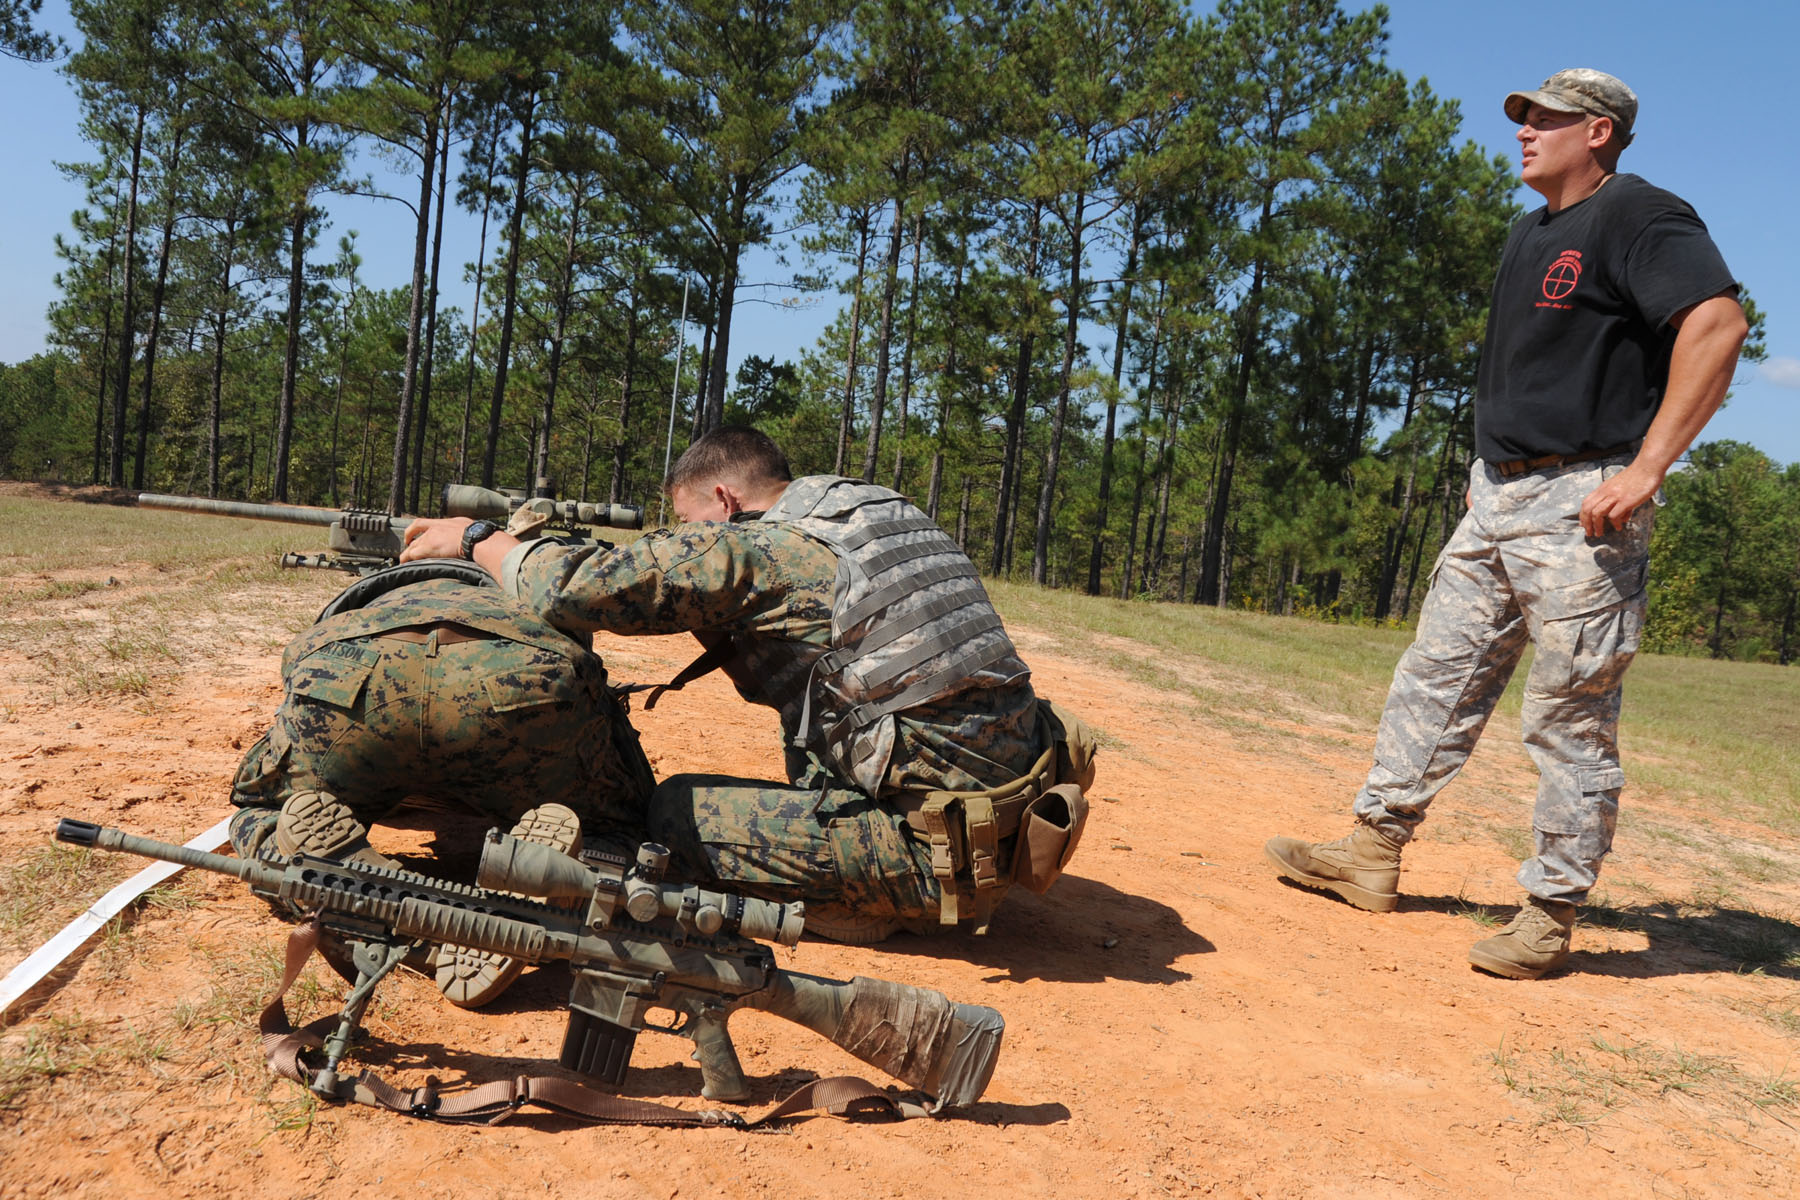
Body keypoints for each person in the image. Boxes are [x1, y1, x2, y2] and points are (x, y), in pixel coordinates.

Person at [1265, 69, 1748, 980]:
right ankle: (1372, 852)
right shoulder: (1530, 234)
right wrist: (1488, 477)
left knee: (1569, 714)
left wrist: (1648, 469)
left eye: (1546, 119)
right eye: (1522, 118)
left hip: (1585, 505)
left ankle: (1551, 911)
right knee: (1434, 678)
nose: (1524, 131)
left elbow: (1718, 325)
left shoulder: (1640, 215)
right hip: (1500, 498)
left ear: (1598, 132)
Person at [400, 426, 1095, 943]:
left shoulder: (767, 547)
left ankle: (878, 900)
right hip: (1013, 805)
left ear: (725, 500)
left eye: (690, 525)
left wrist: (475, 540)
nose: (688, 541)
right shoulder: (871, 509)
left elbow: (572, 590)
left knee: (672, 814)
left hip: (943, 857)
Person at [228, 570, 655, 1004]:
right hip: (521, 671)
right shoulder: (524, 580)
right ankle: (574, 884)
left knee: (263, 814)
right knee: (616, 831)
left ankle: (321, 878)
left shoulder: (385, 593)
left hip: (349, 664)